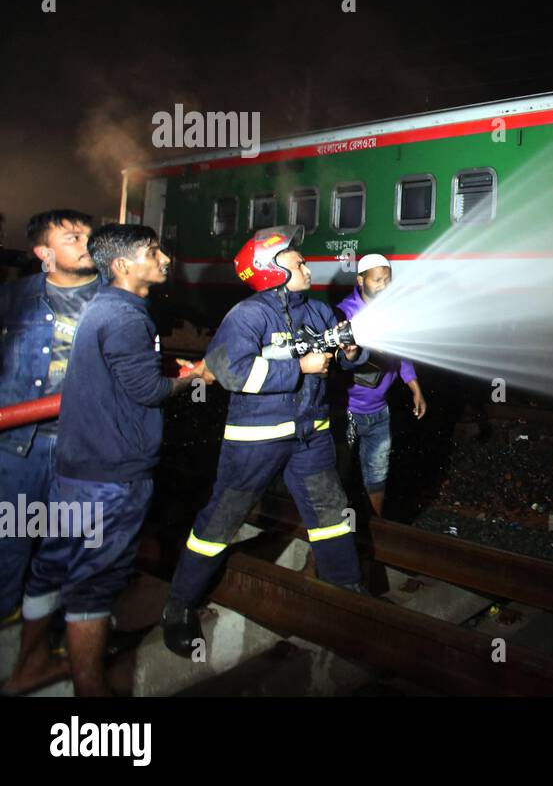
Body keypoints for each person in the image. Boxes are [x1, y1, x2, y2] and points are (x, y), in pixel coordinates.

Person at [3, 224, 211, 695]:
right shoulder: (126, 317)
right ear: (121, 266)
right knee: (94, 586)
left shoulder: (101, 307)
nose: (164, 259)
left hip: (74, 470)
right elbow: (148, 391)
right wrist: (198, 376)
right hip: (112, 480)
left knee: (52, 565)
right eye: (152, 252)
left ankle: (27, 669)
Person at [160, 225, 370, 658]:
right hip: (255, 440)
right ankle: (179, 606)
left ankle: (346, 601)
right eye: (298, 261)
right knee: (220, 522)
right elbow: (229, 370)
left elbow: (343, 358)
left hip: (311, 435)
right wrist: (299, 369)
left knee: (331, 515)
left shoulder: (318, 311)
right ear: (271, 269)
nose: (308, 266)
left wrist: (353, 354)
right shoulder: (247, 315)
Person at [0, 210, 103, 627]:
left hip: (82, 444)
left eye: (89, 237)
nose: (86, 245)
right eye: (73, 238)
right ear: (44, 252)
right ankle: (7, 615)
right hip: (17, 444)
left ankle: (56, 627)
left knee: (72, 540)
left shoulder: (116, 300)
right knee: (10, 536)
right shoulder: (13, 298)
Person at [334, 253, 425, 517]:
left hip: (380, 412)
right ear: (361, 280)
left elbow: (401, 354)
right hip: (348, 413)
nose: (384, 286)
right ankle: (339, 535)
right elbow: (340, 362)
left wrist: (414, 387)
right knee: (341, 475)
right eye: (378, 280)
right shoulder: (344, 312)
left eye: (388, 280)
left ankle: (377, 529)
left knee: (377, 475)